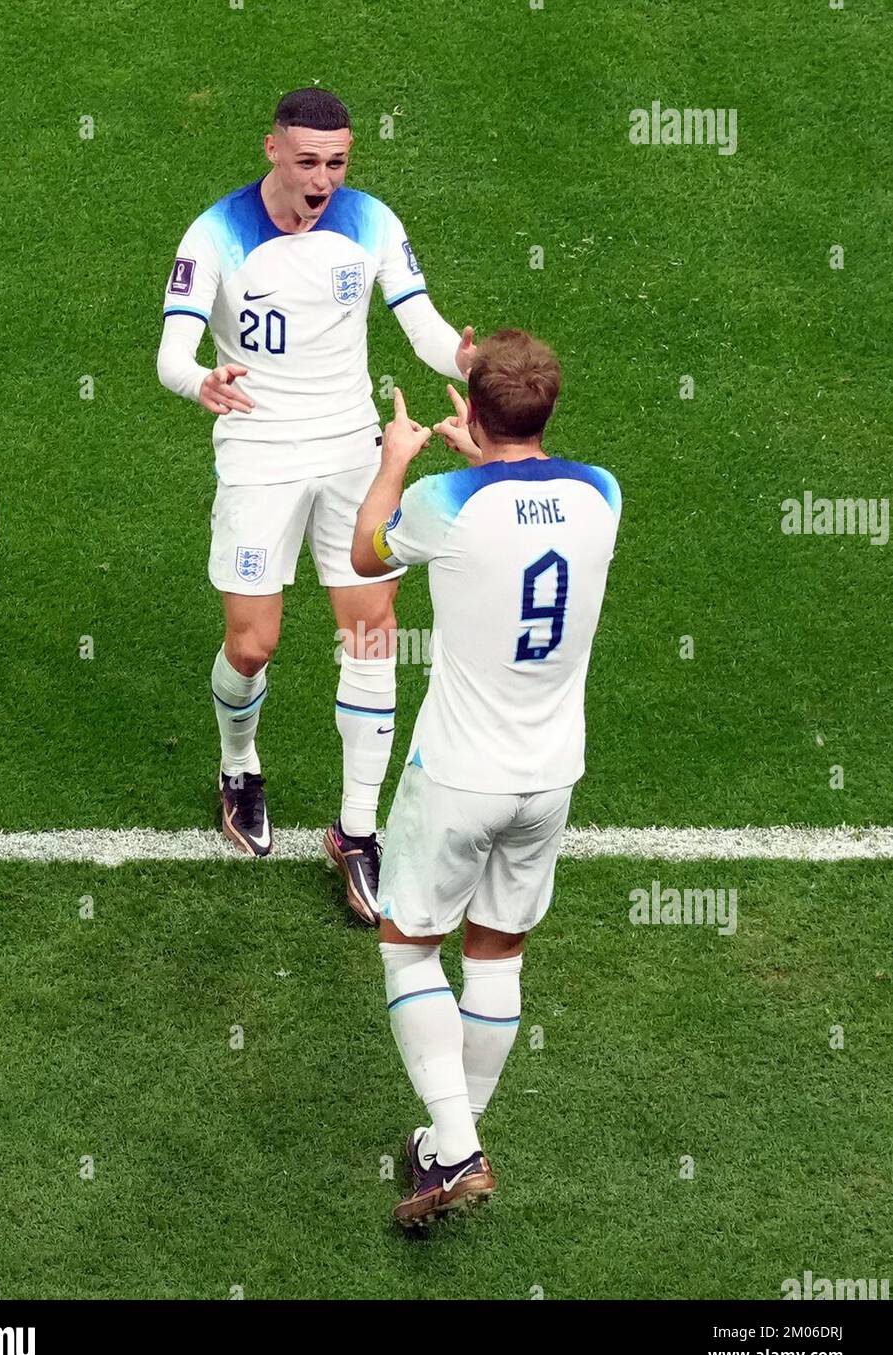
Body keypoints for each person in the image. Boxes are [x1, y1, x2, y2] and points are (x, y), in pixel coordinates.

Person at [157, 87, 476, 924]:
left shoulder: (370, 221)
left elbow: (423, 327)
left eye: (336, 162)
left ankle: (357, 831)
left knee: (370, 627)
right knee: (253, 644)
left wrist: (467, 359)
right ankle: (238, 764)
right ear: (271, 150)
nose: (322, 178)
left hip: (350, 449)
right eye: (307, 161)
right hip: (258, 448)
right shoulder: (215, 234)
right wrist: (202, 383)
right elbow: (170, 355)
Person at [351, 330, 621, 1226]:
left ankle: (458, 1146)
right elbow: (525, 507)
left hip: (460, 773)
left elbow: (366, 554)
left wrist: (394, 461)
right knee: (496, 951)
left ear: (469, 409)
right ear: (547, 408)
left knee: (406, 944)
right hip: (551, 777)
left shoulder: (442, 501)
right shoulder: (600, 495)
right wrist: (485, 461)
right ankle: (441, 1148)